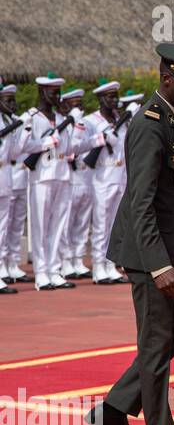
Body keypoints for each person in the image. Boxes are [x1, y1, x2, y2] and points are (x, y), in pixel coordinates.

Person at [84, 43, 174, 425]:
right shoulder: (149, 124)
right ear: (166, 79)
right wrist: (160, 263)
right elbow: (140, 200)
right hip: (147, 253)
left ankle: (113, 408)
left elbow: (169, 198)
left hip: (166, 248)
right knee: (157, 340)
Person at [20, 74, 89, 289]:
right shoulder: (32, 117)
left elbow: (71, 149)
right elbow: (24, 147)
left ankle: (54, 269)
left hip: (63, 175)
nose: (57, 96)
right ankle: (41, 272)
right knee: (41, 226)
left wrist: (77, 128)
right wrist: (45, 142)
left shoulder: (61, 120)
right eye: (53, 92)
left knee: (59, 225)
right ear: (42, 92)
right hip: (42, 177)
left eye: (59, 92)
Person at [81, 80, 131, 284]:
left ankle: (111, 264)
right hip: (102, 176)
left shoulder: (122, 118)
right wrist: (101, 139)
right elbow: (83, 147)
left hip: (120, 176)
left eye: (116, 96)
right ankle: (99, 266)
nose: (114, 101)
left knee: (116, 225)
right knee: (101, 224)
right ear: (101, 98)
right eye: (110, 97)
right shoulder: (90, 121)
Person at [58, 88, 94, 280]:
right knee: (67, 222)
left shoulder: (85, 123)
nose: (79, 107)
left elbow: (87, 146)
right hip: (69, 177)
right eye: (75, 104)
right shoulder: (64, 125)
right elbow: (70, 148)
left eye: (80, 103)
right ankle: (65, 260)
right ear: (66, 106)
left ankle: (78, 259)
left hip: (85, 176)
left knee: (82, 222)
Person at [0, 83, 22, 292]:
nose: (12, 104)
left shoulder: (10, 121)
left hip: (5, 175)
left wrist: (22, 130)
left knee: (3, 227)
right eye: (8, 100)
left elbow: (14, 153)